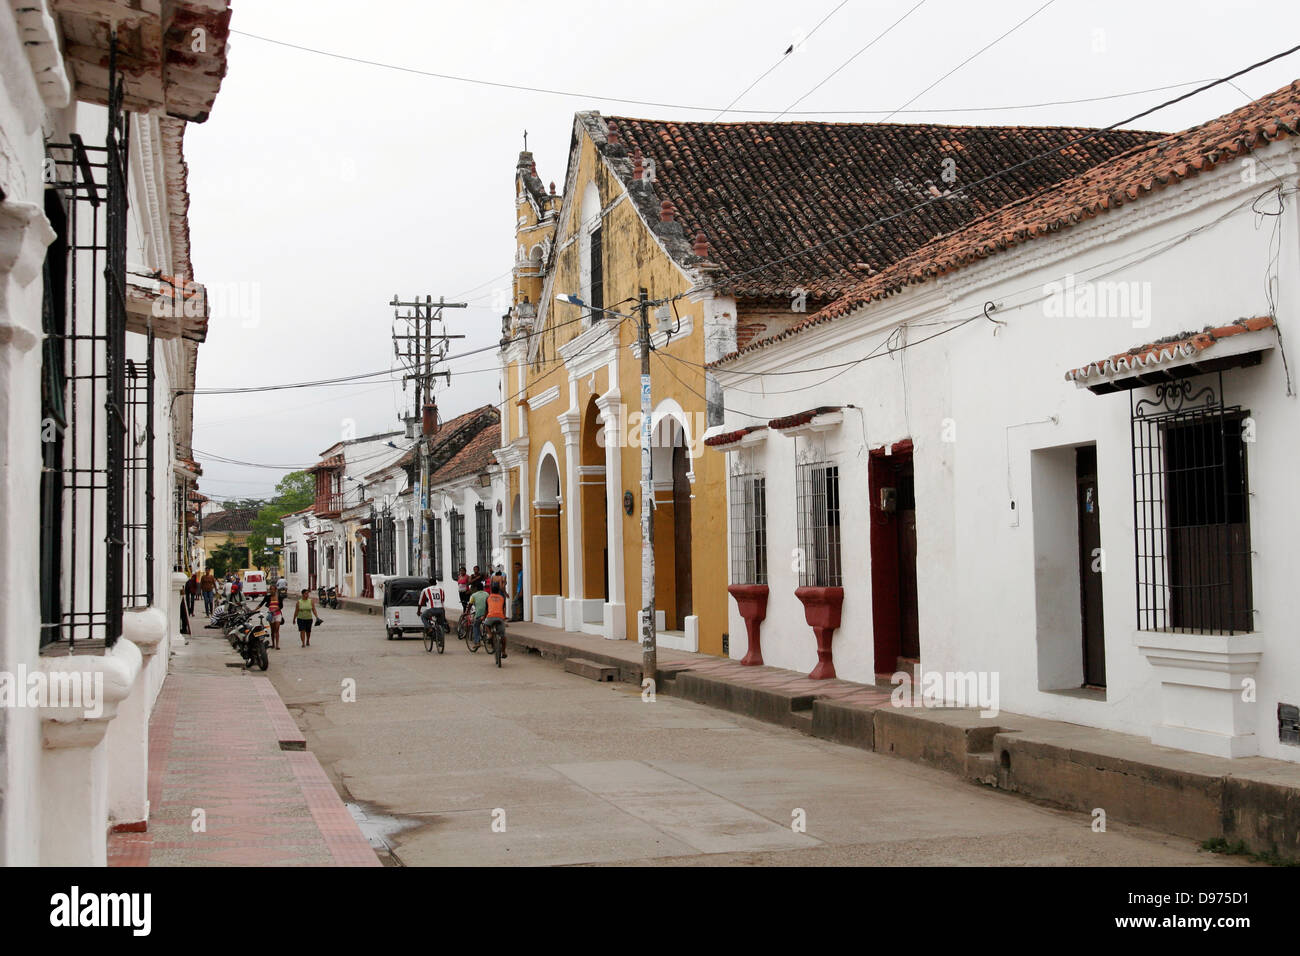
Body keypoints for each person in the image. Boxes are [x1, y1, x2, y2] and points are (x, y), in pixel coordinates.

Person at [484, 581, 508, 660]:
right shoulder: (502, 598)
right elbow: (503, 608)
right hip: (500, 617)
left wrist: (484, 618)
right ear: (498, 591)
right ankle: (503, 652)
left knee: (486, 624)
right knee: (503, 636)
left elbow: (486, 610)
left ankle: (490, 634)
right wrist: (504, 618)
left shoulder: (488, 598)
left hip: (490, 617)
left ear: (491, 590)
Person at [468, 578, 489, 648]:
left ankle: (477, 642)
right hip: (488, 613)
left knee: (475, 626)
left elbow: (470, 604)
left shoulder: (474, 595)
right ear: (483, 588)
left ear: (476, 588)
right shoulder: (487, 594)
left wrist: (467, 612)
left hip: (479, 614)